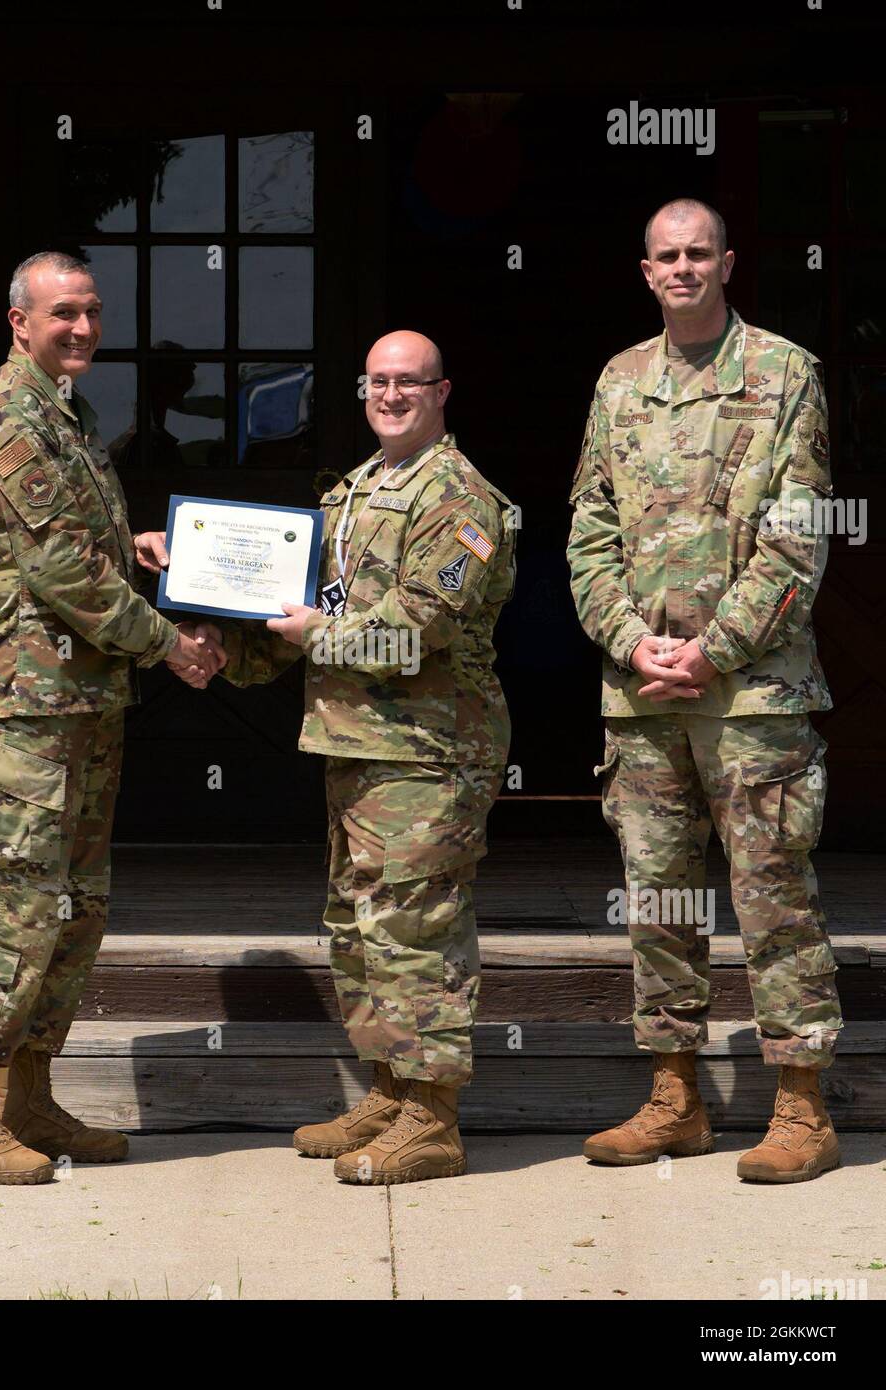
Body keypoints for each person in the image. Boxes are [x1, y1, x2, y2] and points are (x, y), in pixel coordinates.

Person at [143, 330, 516, 1184]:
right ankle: (388, 1088)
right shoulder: (351, 493)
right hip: (355, 745)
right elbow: (293, 615)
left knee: (416, 930)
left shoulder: (459, 499)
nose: (391, 395)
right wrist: (206, 621)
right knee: (359, 928)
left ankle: (432, 1116)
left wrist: (320, 633)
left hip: (428, 750)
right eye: (377, 381)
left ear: (441, 390)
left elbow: (422, 630)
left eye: (409, 383)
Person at [0, 251, 222, 1185]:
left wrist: (124, 541)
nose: (84, 329)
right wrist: (170, 644)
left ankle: (29, 1094)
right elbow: (57, 572)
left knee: (76, 907)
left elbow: (65, 546)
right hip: (26, 710)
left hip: (83, 704)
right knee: (14, 902)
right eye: (64, 314)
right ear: (19, 321)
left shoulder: (67, 410)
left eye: (93, 312)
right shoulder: (9, 415)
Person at [566, 199, 842, 1183]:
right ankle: (673, 1096)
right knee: (660, 901)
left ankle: (801, 1108)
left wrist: (713, 648)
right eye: (663, 256)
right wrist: (629, 639)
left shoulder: (783, 374)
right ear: (643, 271)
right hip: (643, 700)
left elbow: (794, 539)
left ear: (726, 262)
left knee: (770, 901)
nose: (680, 268)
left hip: (753, 700)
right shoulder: (617, 382)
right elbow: (588, 529)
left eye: (696, 253)